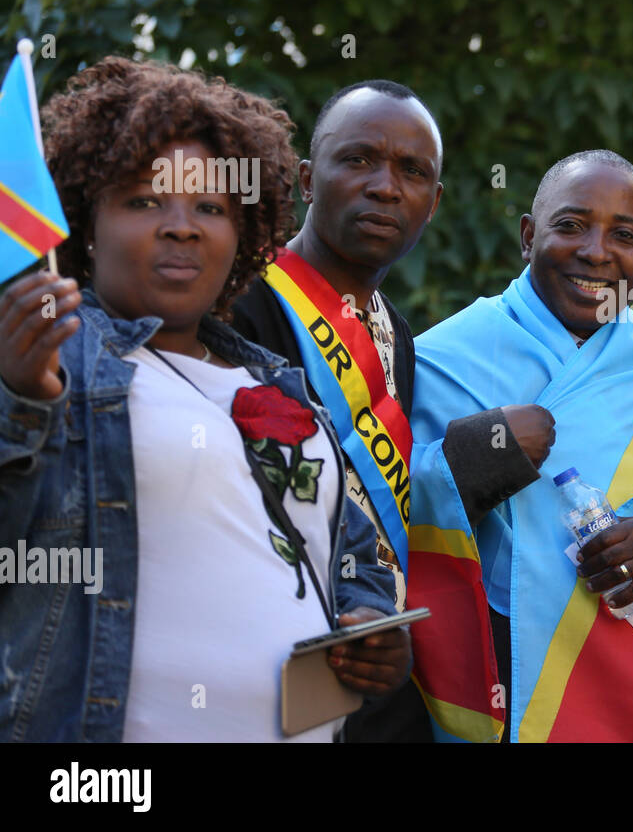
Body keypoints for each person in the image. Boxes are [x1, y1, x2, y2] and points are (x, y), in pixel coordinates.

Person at [0, 57, 408, 742]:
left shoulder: (280, 382)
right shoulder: (54, 358)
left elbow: (351, 559)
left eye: (211, 207)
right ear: (85, 225)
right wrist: (18, 400)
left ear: (242, 234)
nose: (182, 226)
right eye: (144, 201)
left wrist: (373, 630)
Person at [406, 149, 633, 742]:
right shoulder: (442, 358)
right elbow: (369, 503)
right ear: (528, 235)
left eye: (623, 235)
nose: (596, 252)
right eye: (570, 226)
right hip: (488, 696)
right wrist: (466, 464)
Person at [230, 79, 446, 741]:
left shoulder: (399, 336)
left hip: (374, 670)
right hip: (259, 663)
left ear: (432, 204)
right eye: (358, 159)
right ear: (305, 177)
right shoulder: (239, 301)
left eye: (412, 172)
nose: (385, 186)